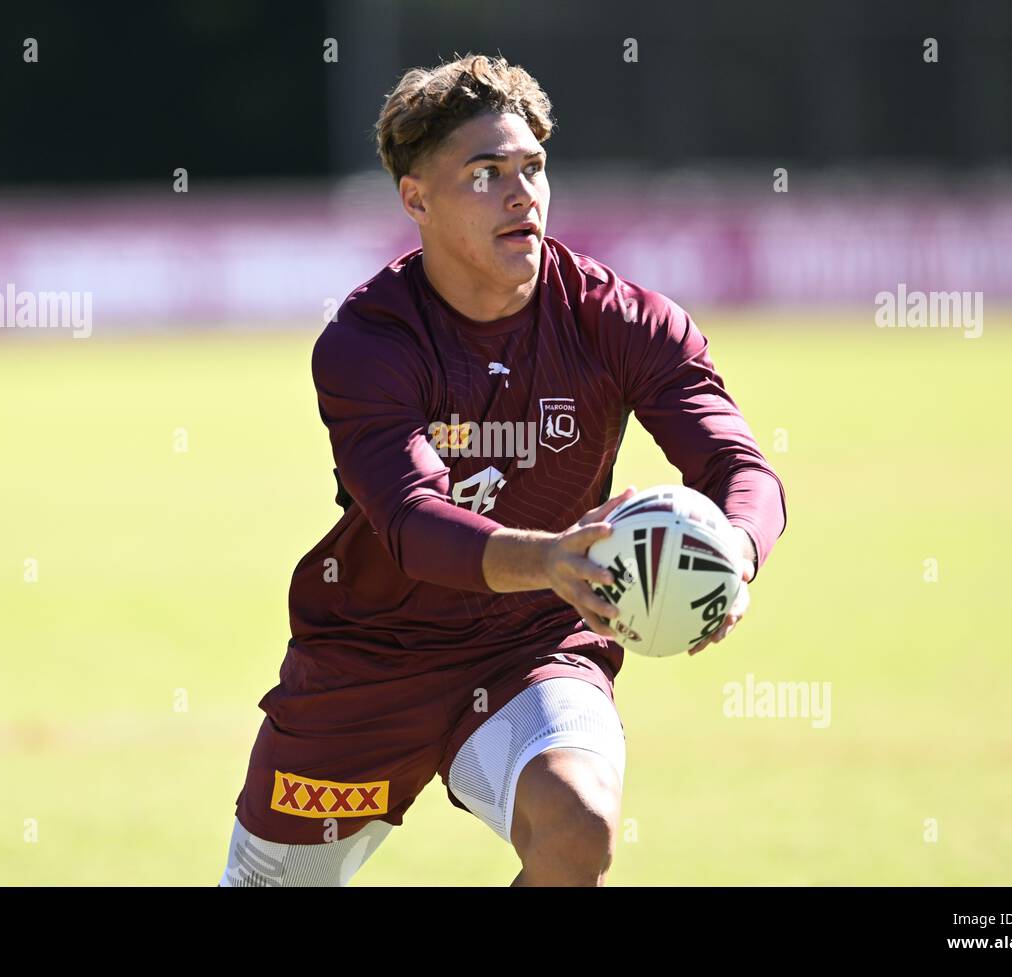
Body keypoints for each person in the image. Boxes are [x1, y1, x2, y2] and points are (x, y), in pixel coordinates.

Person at [219, 53, 786, 887]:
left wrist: (737, 548)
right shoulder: (369, 343)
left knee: (577, 824)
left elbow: (737, 462)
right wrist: (551, 557)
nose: (522, 193)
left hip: (531, 644)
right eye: (485, 174)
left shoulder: (621, 321)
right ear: (415, 197)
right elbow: (411, 521)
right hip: (370, 661)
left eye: (532, 168)